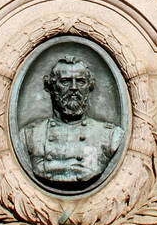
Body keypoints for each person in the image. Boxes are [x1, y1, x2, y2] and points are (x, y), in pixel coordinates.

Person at [19, 55, 124, 191]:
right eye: (65, 81)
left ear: (89, 86)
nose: (74, 87)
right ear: (51, 87)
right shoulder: (29, 135)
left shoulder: (109, 136)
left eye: (80, 81)